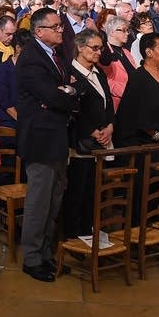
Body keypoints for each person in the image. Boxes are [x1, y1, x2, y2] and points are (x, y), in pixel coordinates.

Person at [16, 8, 79, 282]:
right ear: (39, 31)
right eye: (55, 27)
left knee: (54, 199)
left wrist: (67, 92)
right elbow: (52, 96)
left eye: (60, 26)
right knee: (39, 201)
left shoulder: (56, 54)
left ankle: (45, 252)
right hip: (40, 139)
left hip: (56, 135)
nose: (61, 30)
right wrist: (66, 94)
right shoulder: (31, 58)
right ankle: (31, 259)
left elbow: (68, 89)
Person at [63, 29, 114, 239]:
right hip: (80, 140)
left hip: (102, 140)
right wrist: (92, 131)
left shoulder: (98, 73)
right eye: (94, 48)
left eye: (100, 48)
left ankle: (87, 230)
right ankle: (72, 234)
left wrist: (110, 126)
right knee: (78, 189)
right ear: (80, 47)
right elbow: (74, 109)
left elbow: (108, 102)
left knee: (93, 188)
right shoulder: (70, 73)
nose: (99, 52)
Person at [115, 33, 159, 147]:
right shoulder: (138, 78)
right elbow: (132, 116)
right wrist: (158, 136)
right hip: (146, 146)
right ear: (149, 52)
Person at [98, 14, 137, 111]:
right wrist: (128, 91)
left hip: (135, 99)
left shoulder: (126, 51)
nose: (127, 33)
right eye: (123, 30)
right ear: (112, 32)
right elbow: (106, 80)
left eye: (127, 30)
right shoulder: (104, 53)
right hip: (119, 104)